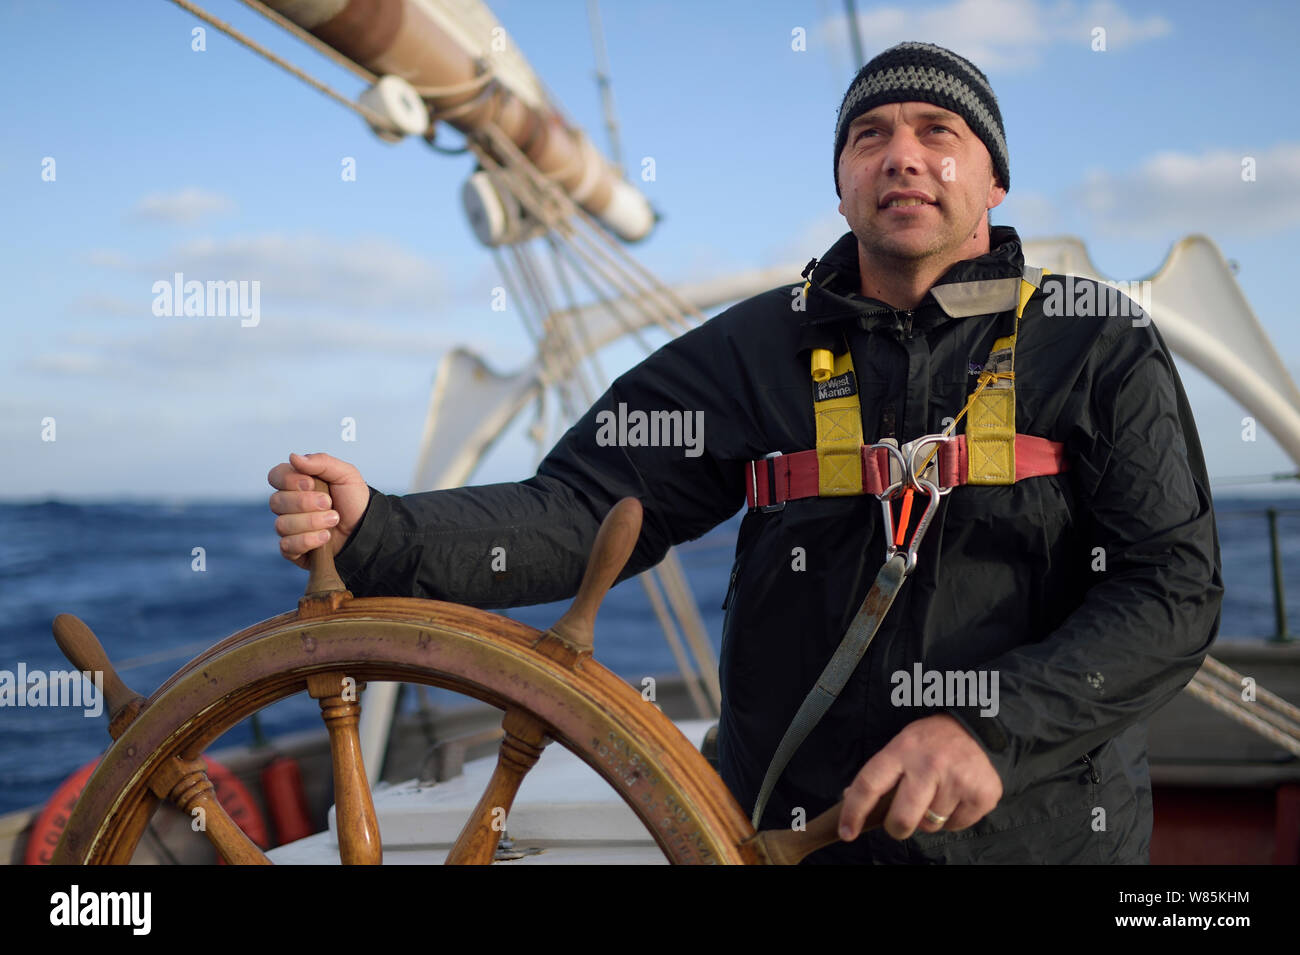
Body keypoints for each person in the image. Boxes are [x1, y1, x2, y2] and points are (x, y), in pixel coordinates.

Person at [267, 42, 1222, 863]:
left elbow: (1172, 587)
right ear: (842, 180)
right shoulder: (757, 347)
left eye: (939, 131)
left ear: (994, 178)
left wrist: (988, 729)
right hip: (785, 836)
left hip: (1040, 838)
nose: (903, 156)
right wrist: (381, 529)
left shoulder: (1095, 339)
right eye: (870, 135)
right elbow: (581, 507)